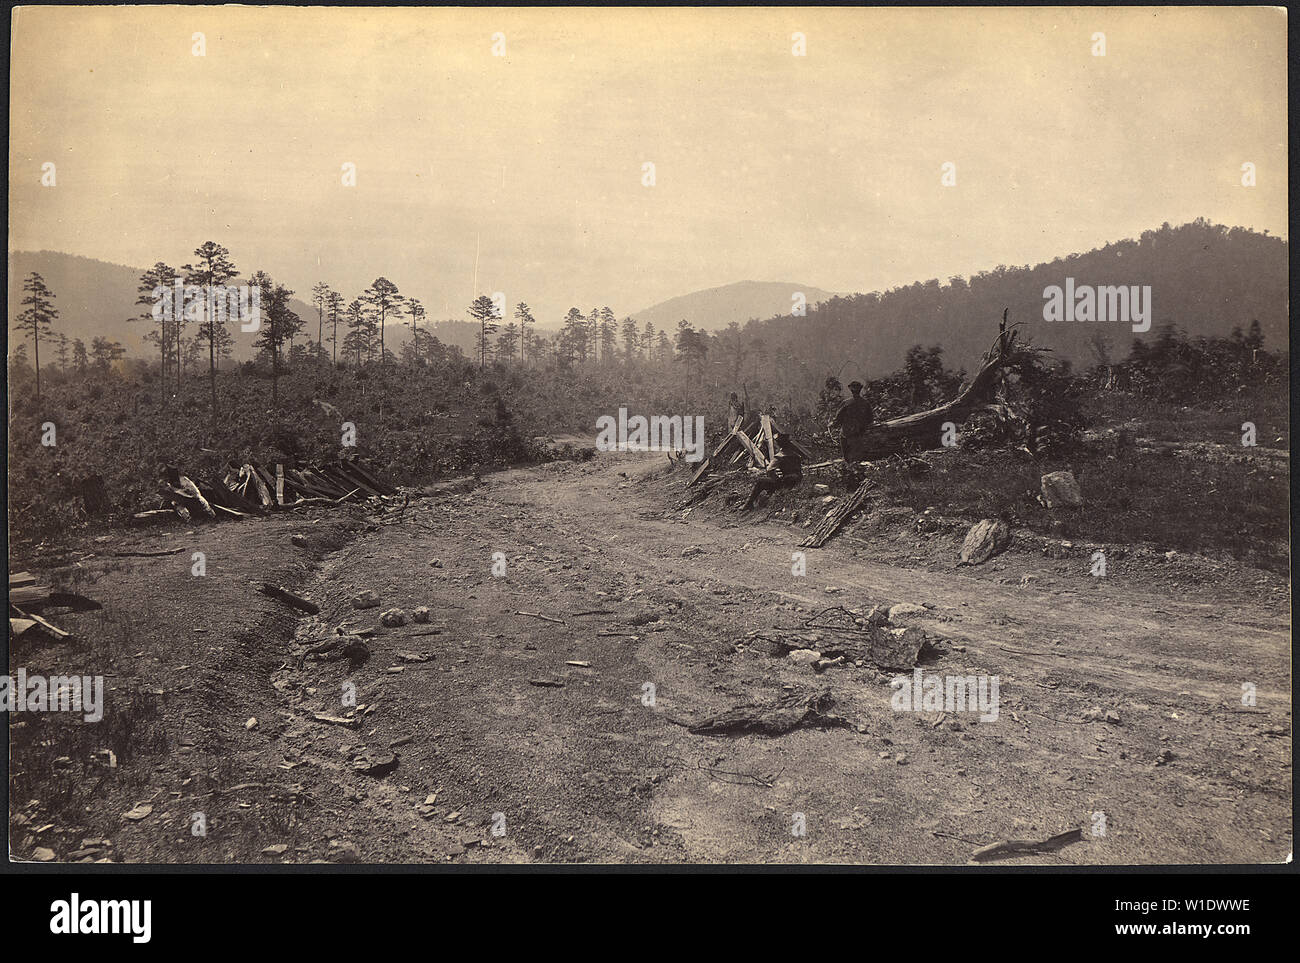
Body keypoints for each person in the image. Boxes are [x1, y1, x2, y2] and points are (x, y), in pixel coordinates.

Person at [744, 432, 803, 509]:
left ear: (779, 444)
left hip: (785, 483)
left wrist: (776, 477)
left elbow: (769, 470)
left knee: (760, 481)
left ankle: (749, 503)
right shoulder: (796, 455)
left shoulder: (779, 456)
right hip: (797, 481)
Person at [830, 380, 874, 464]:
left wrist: (834, 424)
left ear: (851, 390)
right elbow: (870, 420)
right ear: (860, 390)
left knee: (848, 459)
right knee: (858, 459)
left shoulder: (846, 403)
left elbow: (838, 418)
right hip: (859, 434)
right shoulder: (865, 403)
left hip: (846, 434)